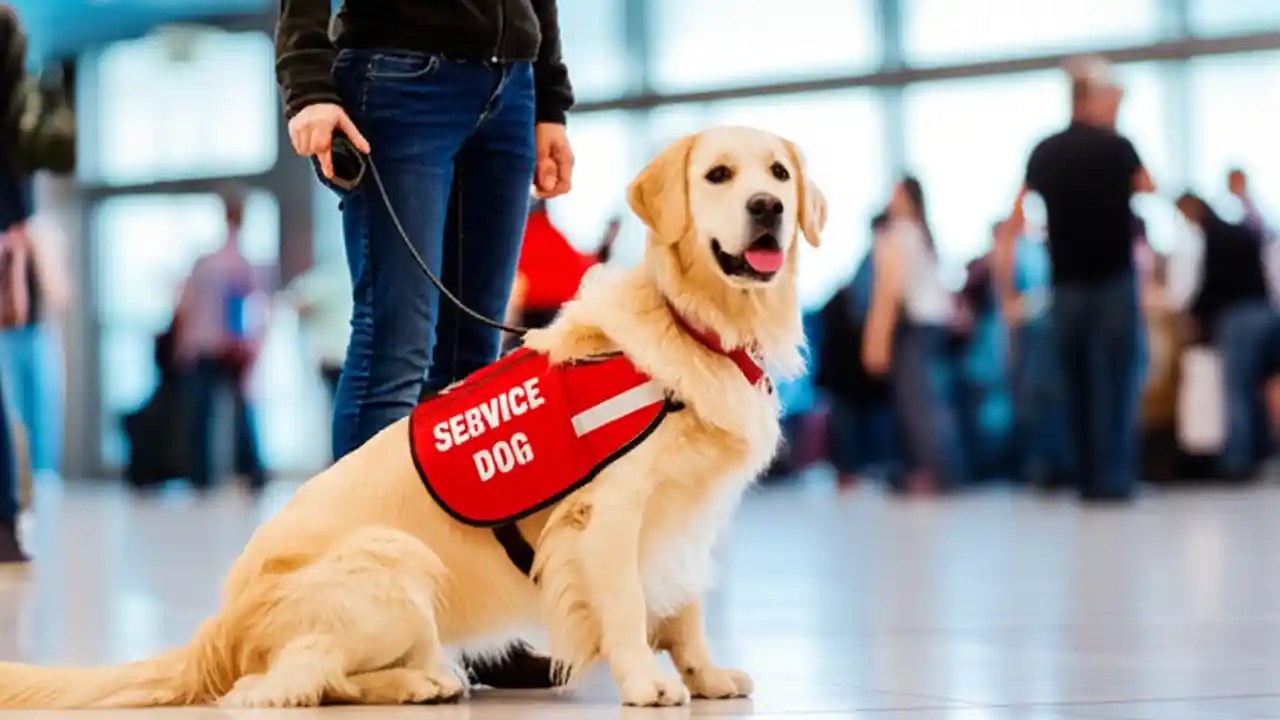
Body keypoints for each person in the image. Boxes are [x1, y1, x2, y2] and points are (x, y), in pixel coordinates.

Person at [276, 0, 575, 688]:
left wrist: (549, 100)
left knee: (475, 375)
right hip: (400, 75)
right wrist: (309, 84)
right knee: (395, 354)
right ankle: (361, 614)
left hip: (511, 85)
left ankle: (468, 623)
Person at [996, 56, 1156, 503]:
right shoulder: (1118, 146)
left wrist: (1008, 292)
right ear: (1098, 100)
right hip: (1113, 284)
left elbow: (1015, 217)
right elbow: (1149, 187)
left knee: (1077, 385)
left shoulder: (1045, 150)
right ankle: (1115, 481)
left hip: (1064, 287)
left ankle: (1086, 480)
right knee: (1116, 385)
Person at [863, 177, 967, 493]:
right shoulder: (921, 233)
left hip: (914, 323)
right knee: (927, 398)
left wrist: (875, 341)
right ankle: (941, 469)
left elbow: (889, 291)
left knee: (915, 402)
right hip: (932, 322)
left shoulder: (898, 235)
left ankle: (933, 472)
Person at [1170, 192, 1277, 479]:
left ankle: (1237, 462)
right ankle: (1260, 453)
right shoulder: (1241, 232)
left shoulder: (1214, 238)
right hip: (1265, 311)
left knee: (1237, 391)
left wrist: (1192, 314)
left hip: (1239, 318)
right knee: (1256, 388)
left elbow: (1210, 284)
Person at [174, 190, 269, 491]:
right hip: (231, 347)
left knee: (205, 413)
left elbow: (186, 306)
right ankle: (252, 475)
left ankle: (203, 478)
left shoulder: (209, 262)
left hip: (208, 346)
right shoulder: (244, 263)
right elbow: (257, 311)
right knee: (239, 412)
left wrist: (182, 345)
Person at [507, 198, 613, 330]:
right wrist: (602, 252)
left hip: (536, 308)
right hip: (560, 306)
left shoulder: (519, 236)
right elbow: (580, 264)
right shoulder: (550, 235)